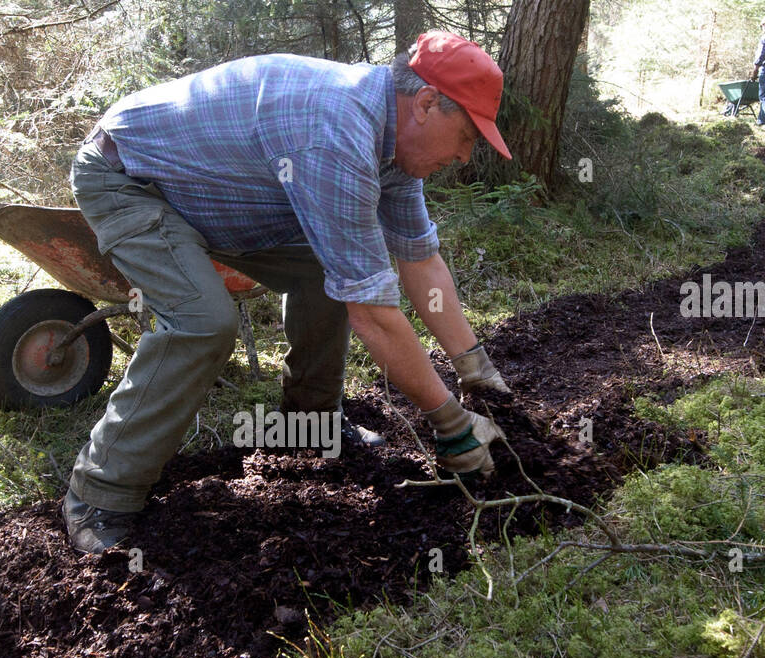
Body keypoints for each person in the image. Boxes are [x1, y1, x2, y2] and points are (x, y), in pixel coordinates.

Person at [63, 31, 515, 553]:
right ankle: (100, 491)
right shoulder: (335, 133)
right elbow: (373, 312)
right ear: (427, 103)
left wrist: (473, 366)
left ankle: (306, 425)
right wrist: (451, 423)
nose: (464, 157)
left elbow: (420, 259)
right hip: (130, 180)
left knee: (326, 271)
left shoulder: (395, 149)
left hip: (216, 197)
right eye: (466, 136)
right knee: (205, 323)